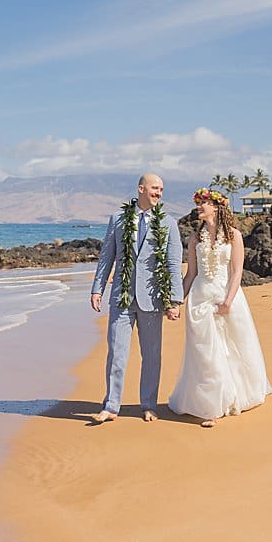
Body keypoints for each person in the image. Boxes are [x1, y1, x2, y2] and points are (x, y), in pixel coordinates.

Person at [169, 188, 272, 427]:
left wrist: (228, 300)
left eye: (202, 203)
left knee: (233, 348)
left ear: (216, 207)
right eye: (198, 203)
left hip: (228, 296)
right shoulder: (195, 238)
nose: (198, 207)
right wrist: (177, 302)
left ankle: (232, 395)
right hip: (200, 298)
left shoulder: (234, 235)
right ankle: (211, 407)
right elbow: (191, 274)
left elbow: (237, 271)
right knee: (206, 352)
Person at [89, 173, 185, 423]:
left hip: (152, 298)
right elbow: (106, 256)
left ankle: (149, 404)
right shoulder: (118, 219)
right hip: (121, 297)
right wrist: (97, 289)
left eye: (162, 189)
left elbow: (174, 264)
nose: (159, 193)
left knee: (152, 355)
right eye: (155, 188)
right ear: (141, 188)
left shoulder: (168, 223)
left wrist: (174, 300)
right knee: (116, 353)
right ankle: (111, 405)